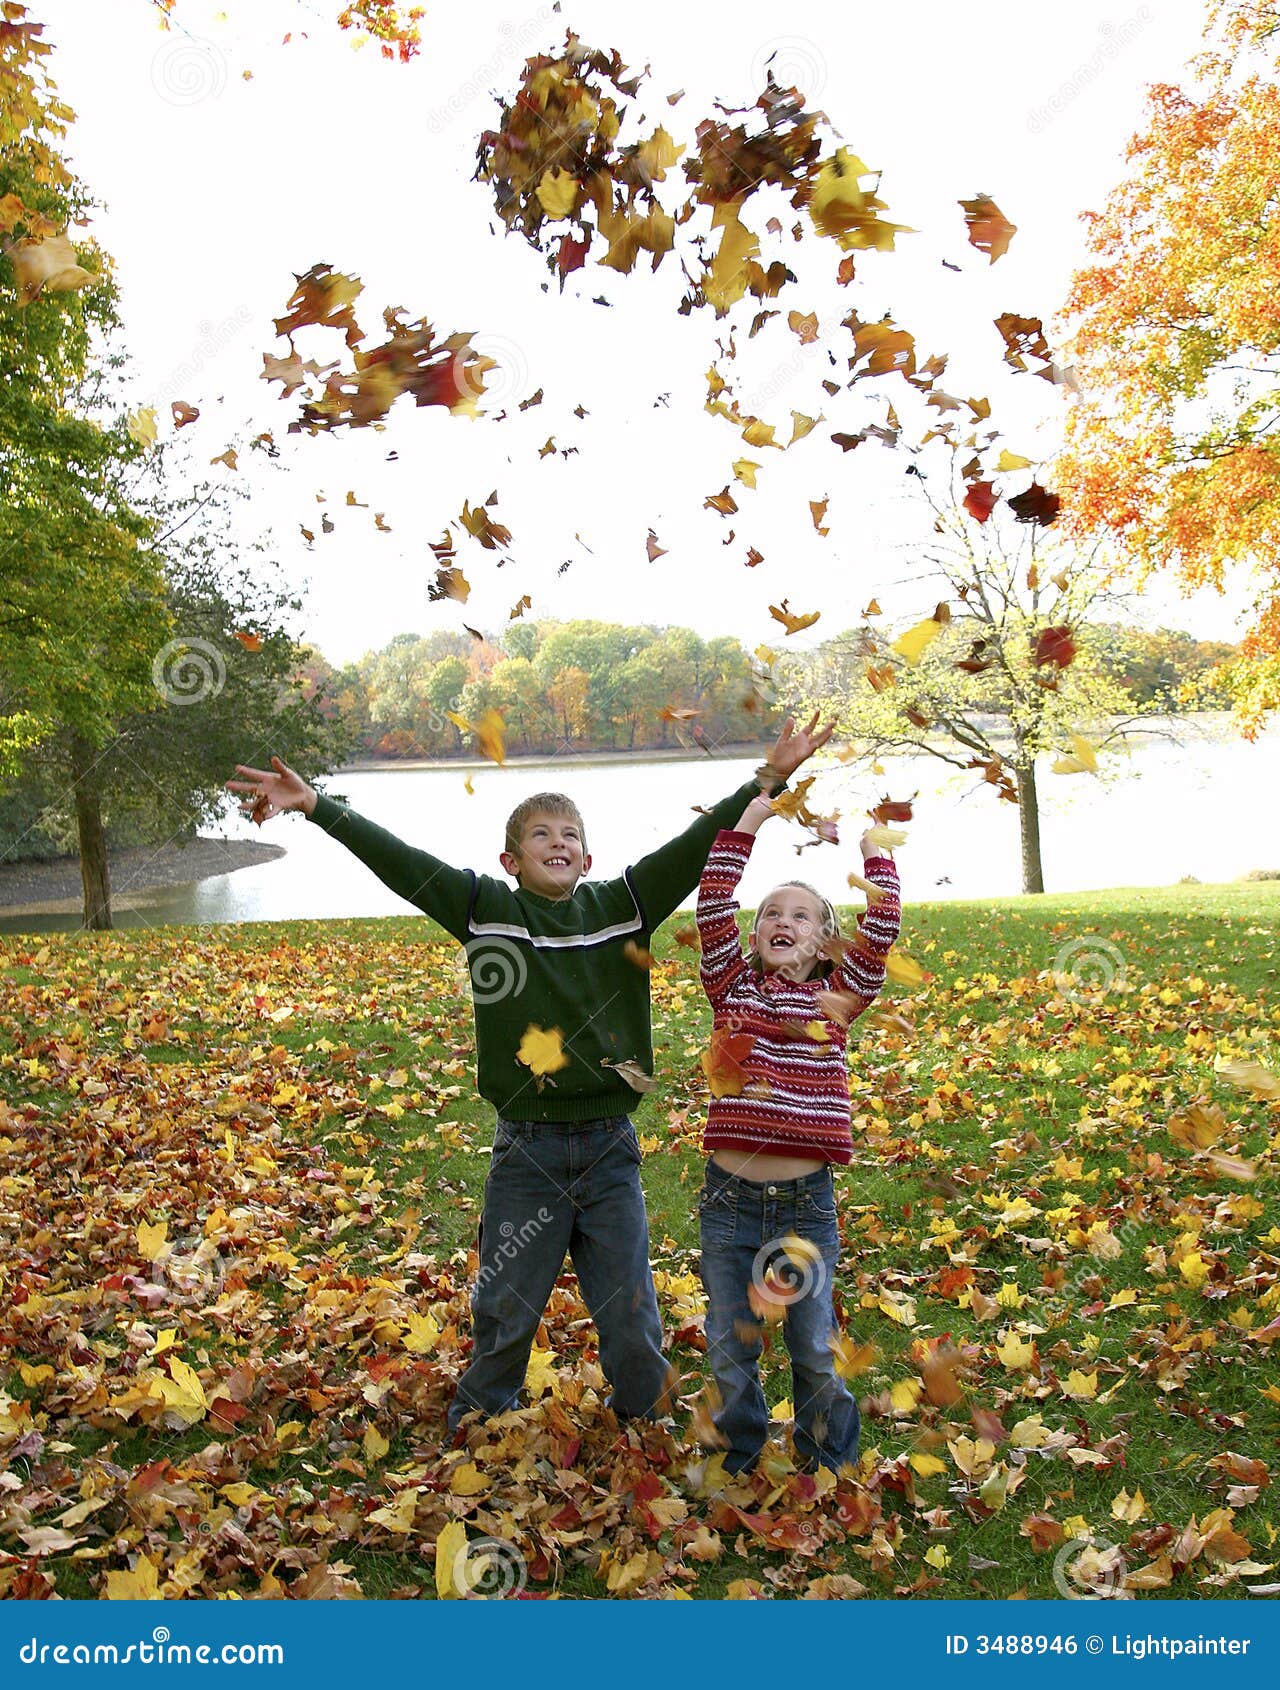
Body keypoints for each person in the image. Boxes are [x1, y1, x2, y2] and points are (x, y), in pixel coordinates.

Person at [225, 717, 831, 1437]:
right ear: (511, 859)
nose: (558, 844)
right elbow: (402, 861)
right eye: (541, 836)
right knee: (506, 1306)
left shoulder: (625, 907)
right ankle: (481, 1415)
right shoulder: (486, 910)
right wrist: (320, 806)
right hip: (528, 1154)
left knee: (632, 1315)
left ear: (589, 854)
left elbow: (700, 845)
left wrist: (770, 778)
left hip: (609, 1151)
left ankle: (643, 1417)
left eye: (569, 835)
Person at [694, 791, 902, 1475]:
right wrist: (750, 821)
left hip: (804, 1209)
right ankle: (738, 1455)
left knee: (813, 1347)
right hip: (729, 1207)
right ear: (755, 937)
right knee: (731, 1346)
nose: (782, 921)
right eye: (771, 914)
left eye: (801, 915)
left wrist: (874, 854)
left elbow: (881, 931)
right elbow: (714, 902)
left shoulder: (836, 1001)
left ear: (824, 941)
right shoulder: (732, 990)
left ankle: (828, 1459)